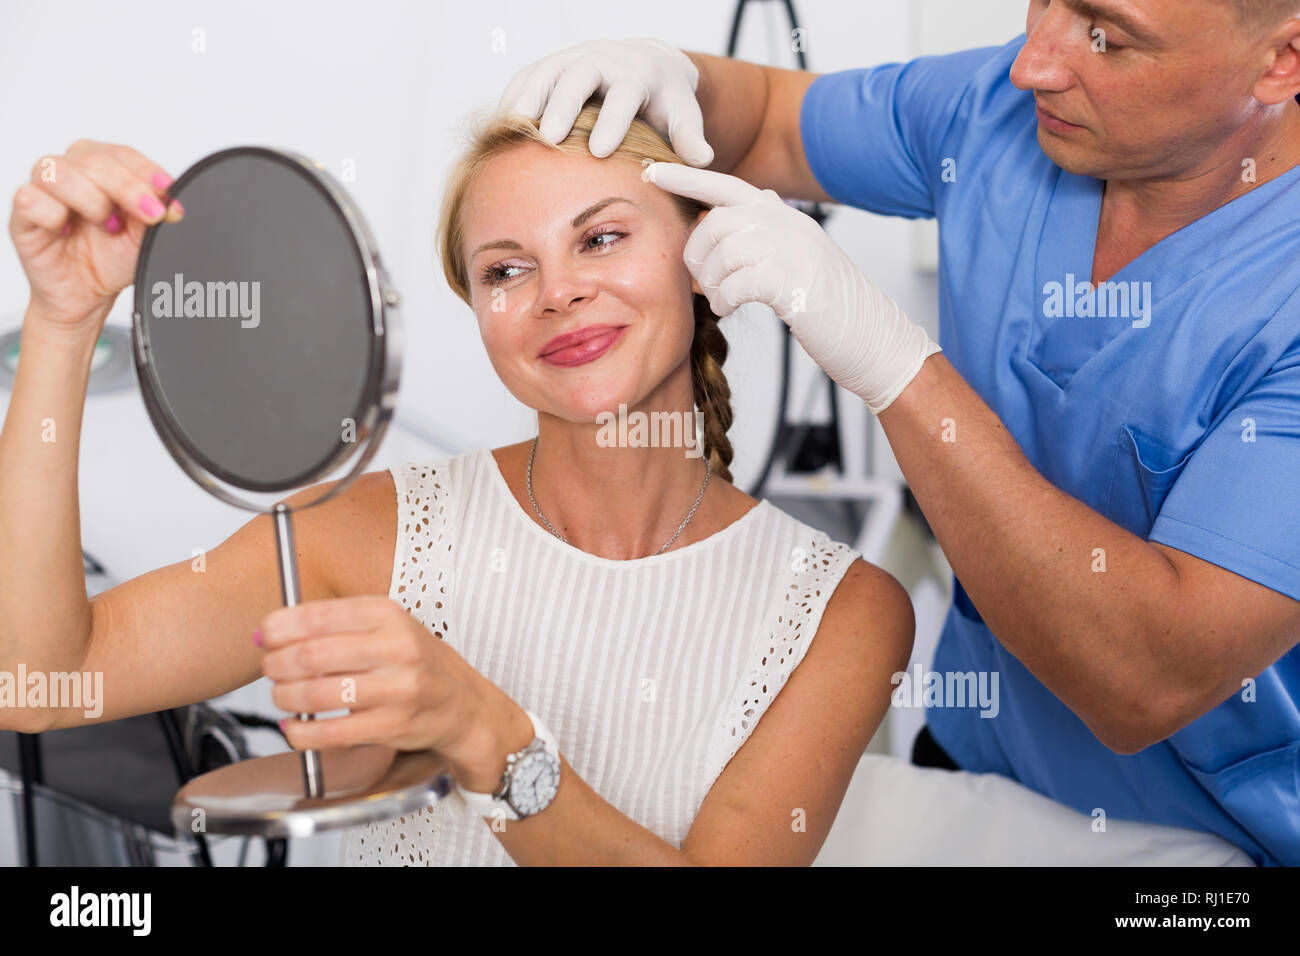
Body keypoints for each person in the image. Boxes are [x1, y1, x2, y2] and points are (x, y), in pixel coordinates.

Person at [0, 105, 916, 865]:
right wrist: (62, 321)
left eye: (600, 238)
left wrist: (480, 729)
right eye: (507, 269)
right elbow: (38, 682)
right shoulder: (363, 534)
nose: (558, 291)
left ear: (704, 259)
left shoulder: (844, 613)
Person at [498, 1, 1300, 867]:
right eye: (1046, 3)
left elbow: (1148, 679)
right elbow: (770, 120)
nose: (1033, 65)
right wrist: (671, 75)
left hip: (1215, 842)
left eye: (1107, 38)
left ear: (1282, 62)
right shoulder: (995, 111)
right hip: (972, 773)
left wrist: (894, 367)